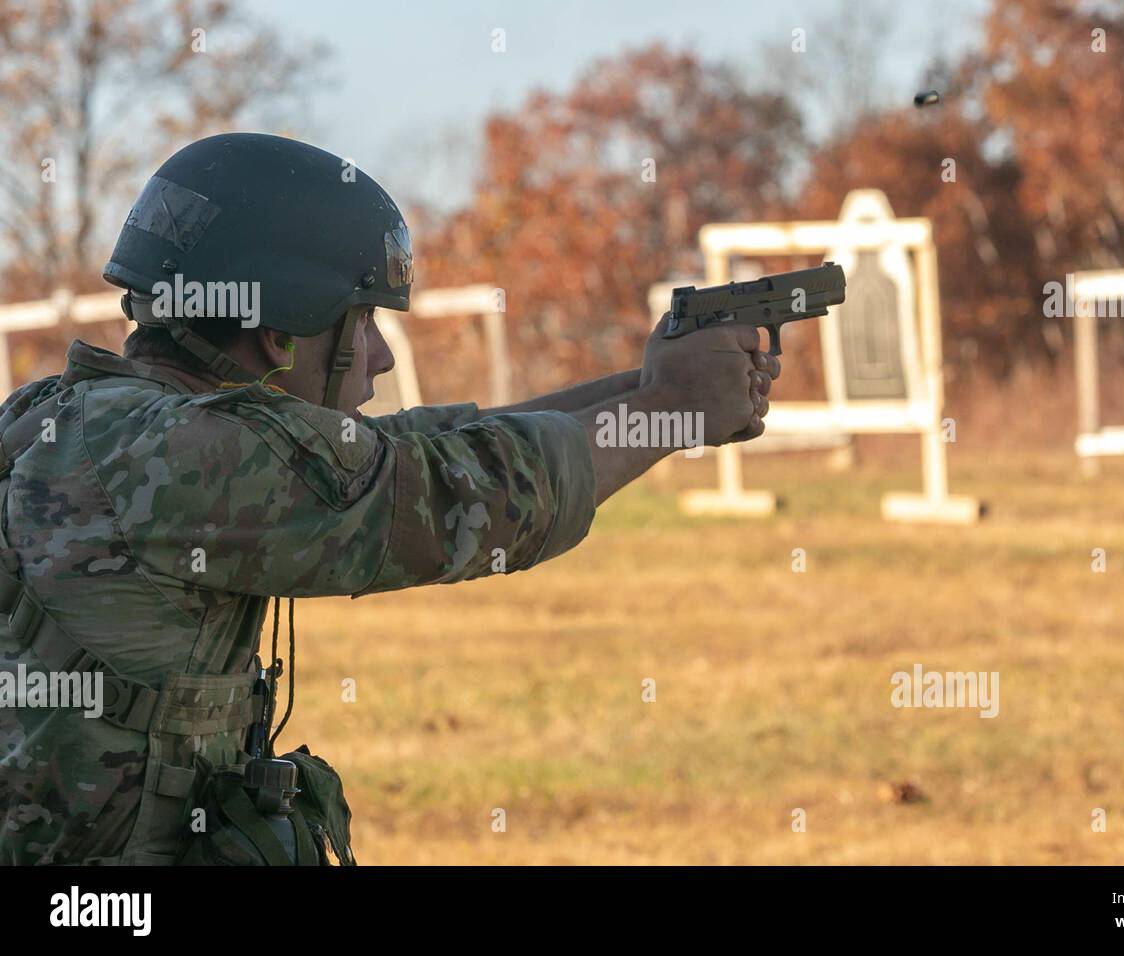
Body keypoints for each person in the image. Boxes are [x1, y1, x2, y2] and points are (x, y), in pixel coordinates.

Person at [0, 132, 777, 864]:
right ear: (282, 336)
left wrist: (653, 391)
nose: (379, 358)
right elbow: (452, 496)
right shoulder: (184, 455)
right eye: (364, 320)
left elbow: (408, 452)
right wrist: (666, 411)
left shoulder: (70, 416)